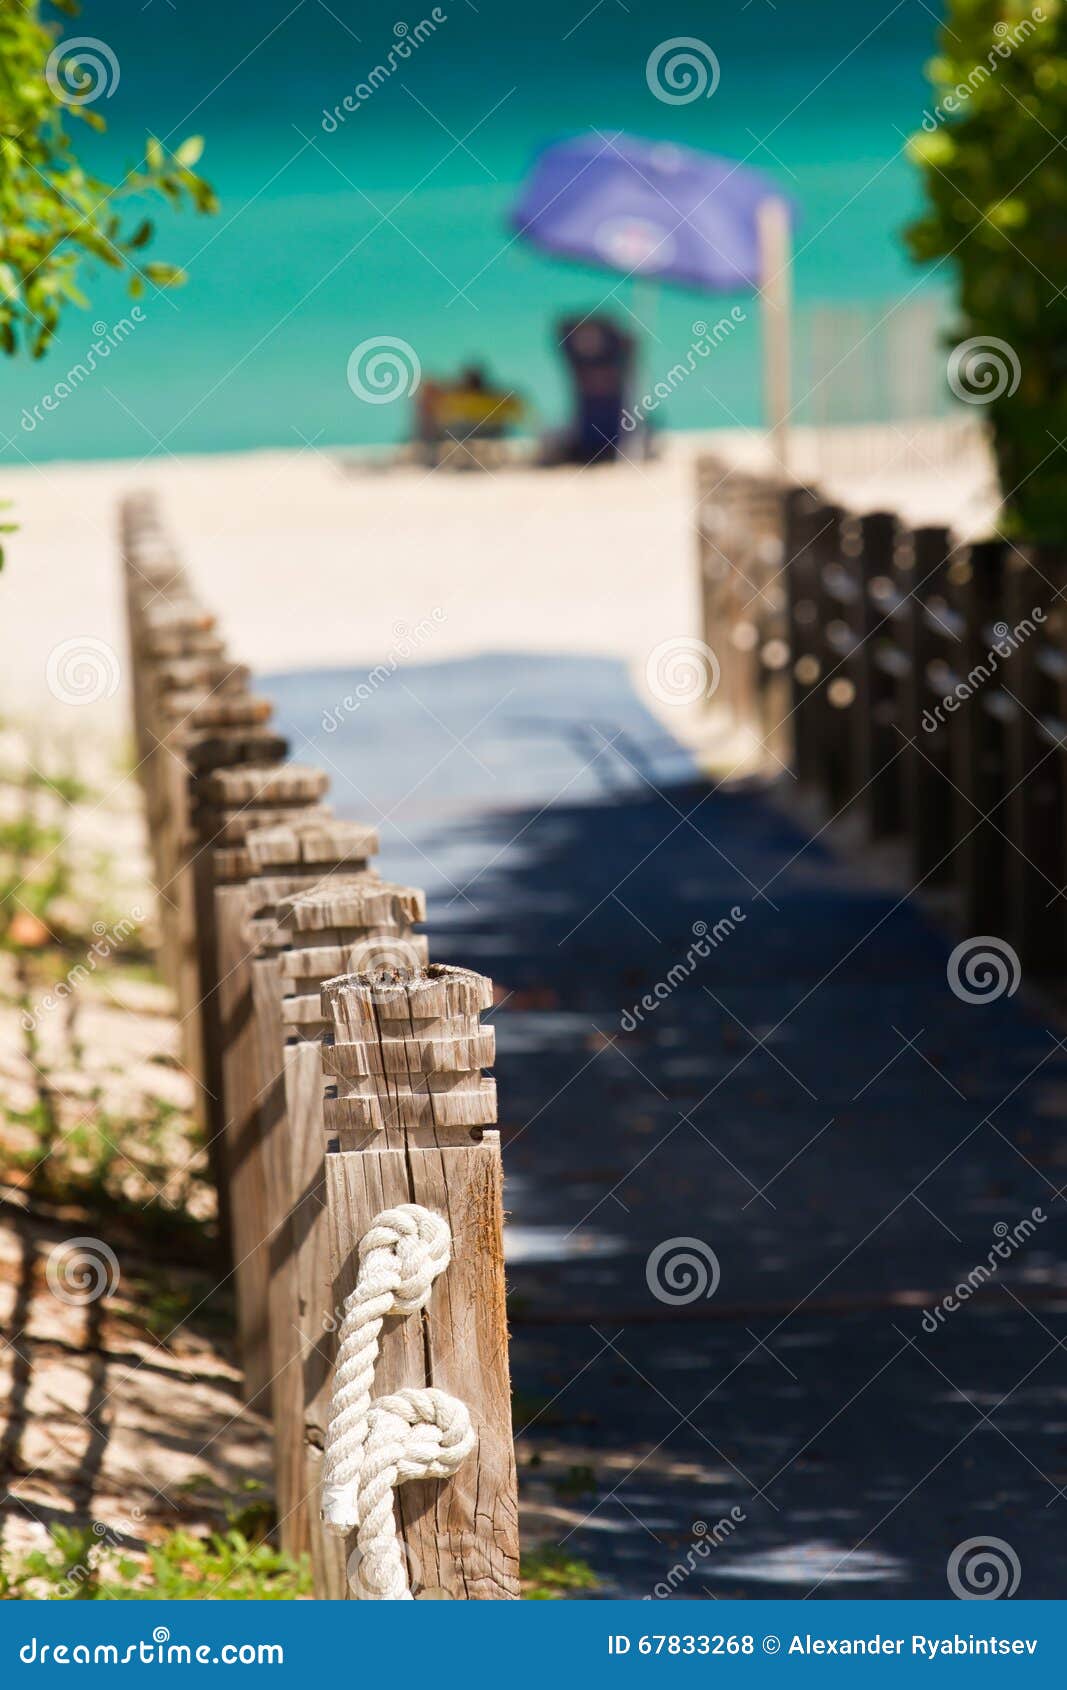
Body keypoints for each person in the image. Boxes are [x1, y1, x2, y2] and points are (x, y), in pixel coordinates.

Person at [553, 314, 635, 463]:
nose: (587, 343)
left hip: (614, 439)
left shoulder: (613, 363)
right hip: (588, 441)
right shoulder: (580, 366)